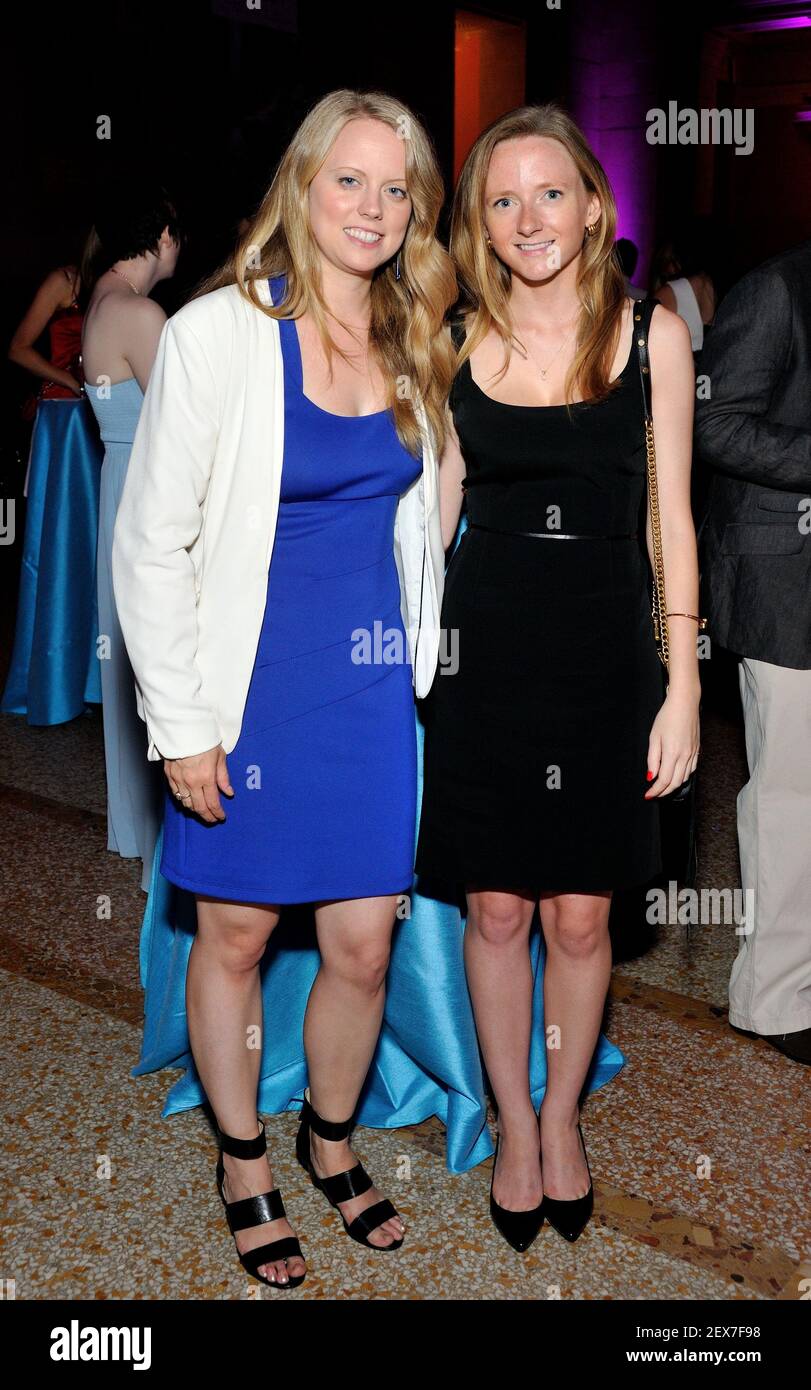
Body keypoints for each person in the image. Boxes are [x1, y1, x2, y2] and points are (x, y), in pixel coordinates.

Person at [112, 90, 456, 1289]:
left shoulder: (416, 335)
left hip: (366, 692)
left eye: (395, 185)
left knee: (364, 944)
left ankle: (329, 1137)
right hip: (245, 684)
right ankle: (243, 1159)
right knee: (240, 929)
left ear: (416, 208)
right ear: (303, 187)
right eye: (347, 179)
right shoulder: (218, 332)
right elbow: (148, 540)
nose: (370, 207)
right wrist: (182, 724)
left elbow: (428, 512)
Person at [415, 103, 701, 1248]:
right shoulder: (451, 336)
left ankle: (562, 1118)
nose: (526, 217)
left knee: (581, 917)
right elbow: (430, 522)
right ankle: (513, 1125)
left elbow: (669, 520)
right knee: (493, 906)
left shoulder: (650, 335)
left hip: (602, 658)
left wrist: (682, 684)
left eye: (549, 192)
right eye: (500, 197)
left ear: (593, 204)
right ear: (479, 222)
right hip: (486, 655)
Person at [694, 239, 811, 1066]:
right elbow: (715, 422)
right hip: (783, 578)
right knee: (788, 795)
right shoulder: (775, 284)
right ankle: (771, 1000)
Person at [82, 181, 182, 893]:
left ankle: (137, 829)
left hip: (118, 480)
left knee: (130, 658)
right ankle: (160, 852)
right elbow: (177, 420)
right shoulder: (141, 312)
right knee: (155, 656)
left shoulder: (102, 300)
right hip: (144, 488)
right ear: (162, 237)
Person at [2, 255, 103, 725]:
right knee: (58, 550)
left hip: (101, 423)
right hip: (64, 422)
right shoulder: (63, 279)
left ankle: (90, 683)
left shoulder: (112, 285)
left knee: (93, 552)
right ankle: (51, 683)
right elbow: (19, 347)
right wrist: (67, 380)